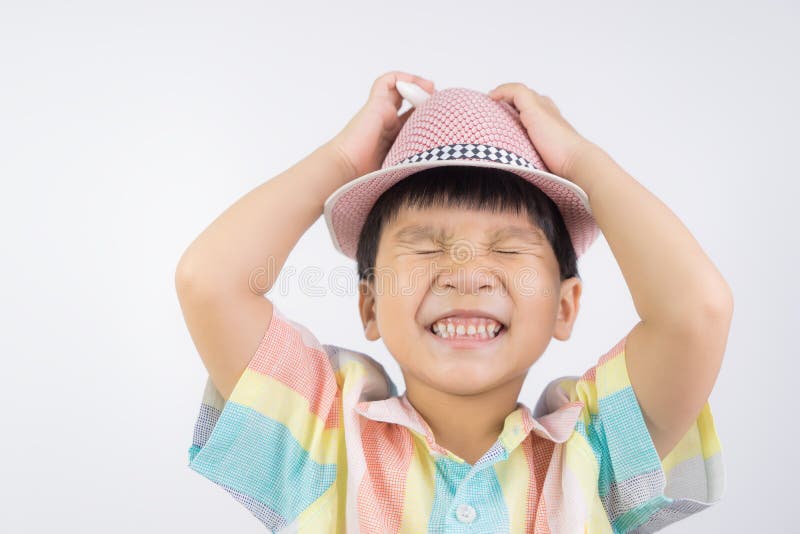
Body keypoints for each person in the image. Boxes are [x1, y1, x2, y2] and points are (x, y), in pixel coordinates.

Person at [175, 71, 732, 533]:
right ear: (368, 304)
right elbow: (210, 282)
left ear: (565, 306)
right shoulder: (323, 440)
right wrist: (343, 162)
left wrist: (582, 160)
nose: (466, 275)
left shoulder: (593, 451)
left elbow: (697, 310)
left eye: (509, 248)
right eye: (425, 246)